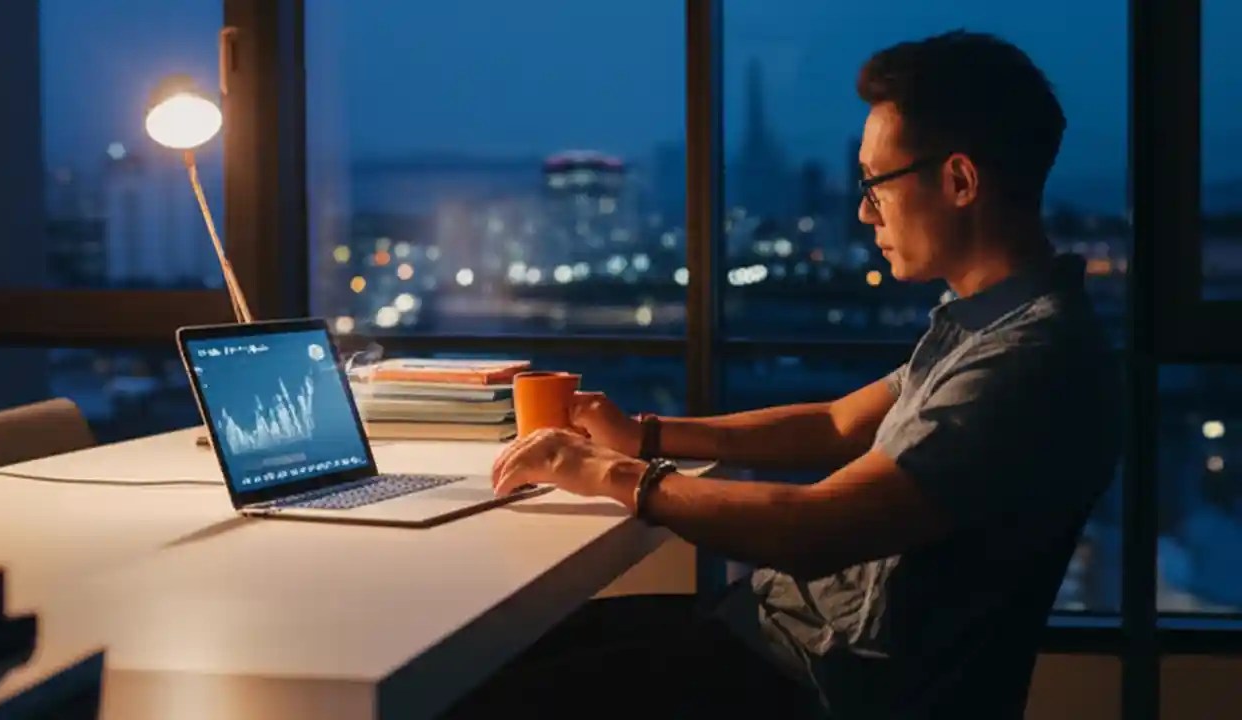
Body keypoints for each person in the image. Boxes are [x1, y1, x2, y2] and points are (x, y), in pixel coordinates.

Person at [443, 29, 1120, 719]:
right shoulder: (982, 322)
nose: (864, 210)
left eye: (875, 183)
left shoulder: (1026, 361)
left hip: (816, 681)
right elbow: (836, 423)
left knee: (479, 691)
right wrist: (642, 435)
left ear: (959, 182)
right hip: (778, 630)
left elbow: (816, 528)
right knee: (495, 658)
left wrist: (608, 473)